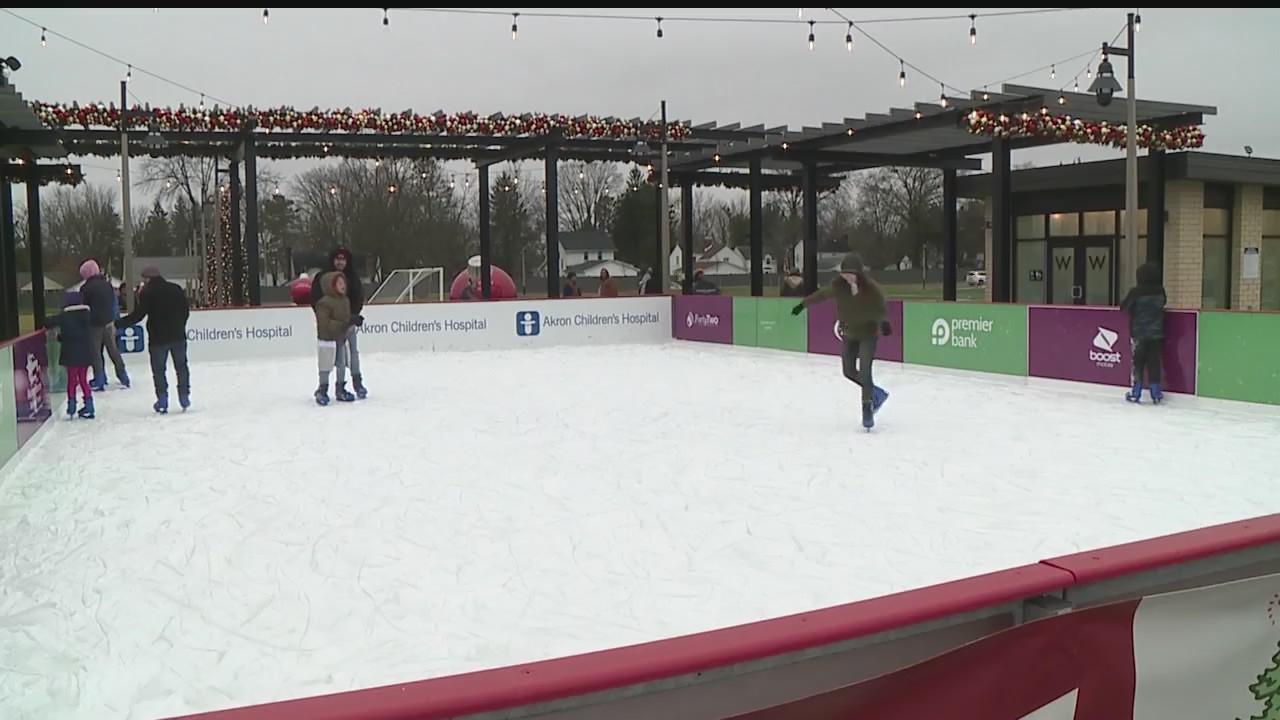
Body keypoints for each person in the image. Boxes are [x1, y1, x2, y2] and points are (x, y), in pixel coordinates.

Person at [791, 253, 891, 431]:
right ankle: (876, 393)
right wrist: (802, 305)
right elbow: (822, 295)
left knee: (866, 371)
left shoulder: (871, 289)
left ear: (859, 273)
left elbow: (880, 306)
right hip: (850, 333)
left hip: (868, 334)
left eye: (851, 274)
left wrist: (883, 322)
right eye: (845, 274)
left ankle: (867, 409)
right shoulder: (839, 287)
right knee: (848, 370)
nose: (848, 277)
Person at [115, 266, 192, 414]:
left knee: (159, 370)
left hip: (158, 338)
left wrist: (118, 323)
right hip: (177, 336)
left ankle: (162, 400)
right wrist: (180, 325)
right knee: (181, 367)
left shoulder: (148, 293)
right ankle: (184, 396)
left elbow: (138, 315)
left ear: (148, 279)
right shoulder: (176, 289)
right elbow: (185, 311)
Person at [309, 247, 368, 399]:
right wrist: (327, 319)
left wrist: (352, 318)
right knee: (328, 359)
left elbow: (357, 299)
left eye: (343, 259)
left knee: (351, 354)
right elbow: (316, 301)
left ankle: (355, 383)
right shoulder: (323, 278)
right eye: (337, 259)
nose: (340, 262)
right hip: (330, 328)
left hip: (348, 325)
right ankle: (323, 388)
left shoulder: (353, 278)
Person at [1120, 261, 1168, 404]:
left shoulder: (1136, 292)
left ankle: (1136, 392)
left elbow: (1124, 307)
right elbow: (1163, 304)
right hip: (1156, 333)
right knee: (1154, 363)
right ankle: (1155, 393)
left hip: (1138, 333)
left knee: (1138, 363)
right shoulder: (1160, 291)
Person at [79, 260, 130, 391]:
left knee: (96, 352)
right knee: (113, 350)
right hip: (109, 322)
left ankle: (100, 379)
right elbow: (113, 303)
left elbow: (84, 307)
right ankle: (123, 376)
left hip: (94, 324)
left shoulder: (86, 288)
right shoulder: (107, 285)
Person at [44, 290, 96, 419]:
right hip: (85, 352)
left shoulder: (64, 316)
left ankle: (71, 406)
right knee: (83, 379)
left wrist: (60, 337)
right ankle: (89, 406)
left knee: (72, 380)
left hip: (70, 353)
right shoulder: (88, 315)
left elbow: (48, 322)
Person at [313, 271, 359, 406]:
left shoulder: (345, 300)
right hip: (327, 341)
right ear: (331, 285)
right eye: (339, 283)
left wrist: (352, 321)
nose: (343, 285)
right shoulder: (323, 303)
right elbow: (325, 323)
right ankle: (322, 389)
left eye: (343, 282)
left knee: (342, 365)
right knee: (326, 366)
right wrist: (344, 324)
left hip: (340, 339)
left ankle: (340, 388)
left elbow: (345, 318)